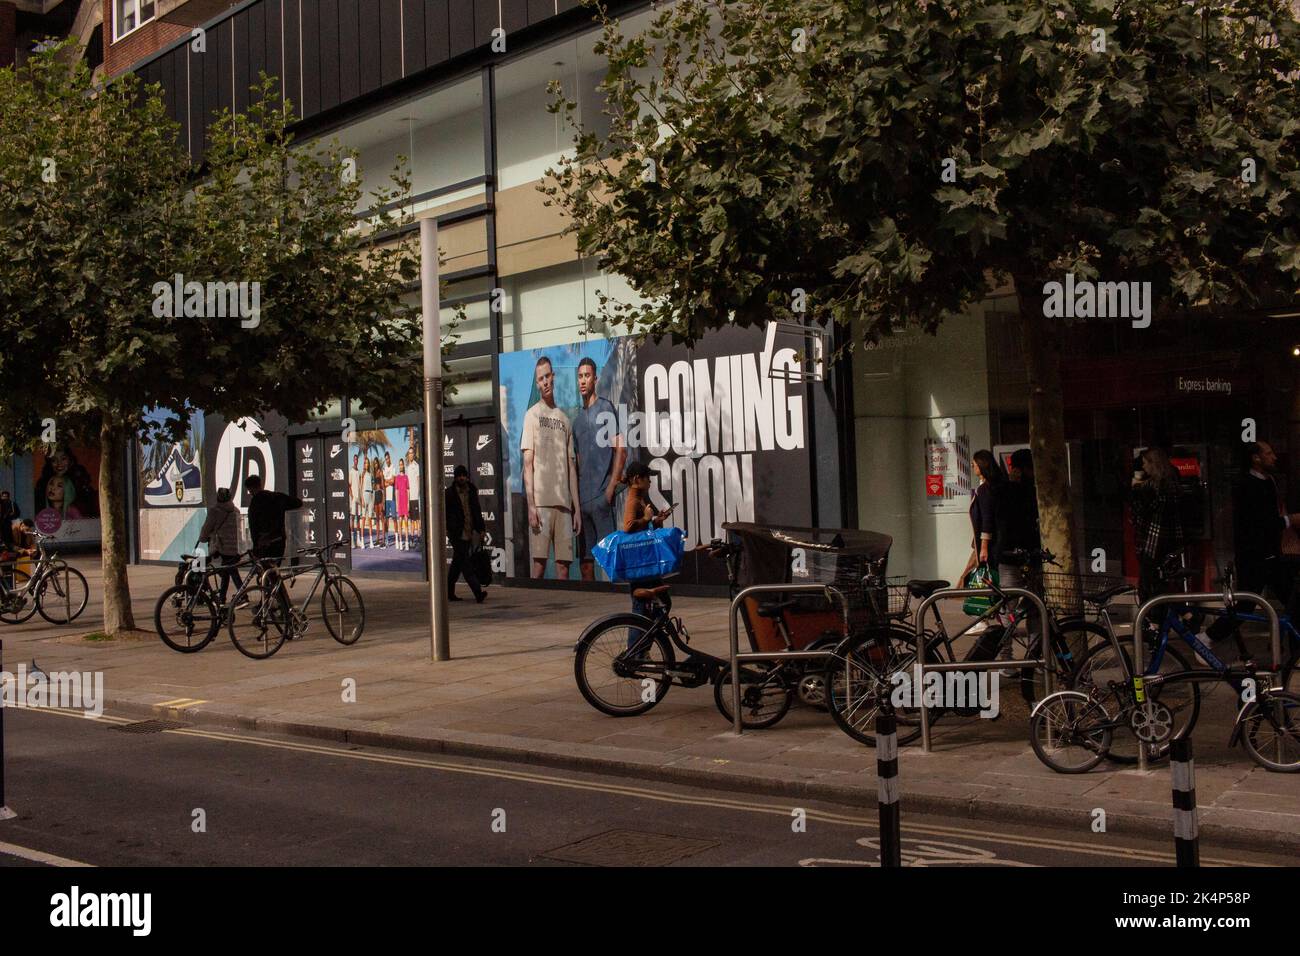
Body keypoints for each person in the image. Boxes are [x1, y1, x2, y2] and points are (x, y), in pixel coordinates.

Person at [1208, 441, 1300, 642]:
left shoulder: (1269, 481)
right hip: (1255, 556)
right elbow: (1259, 522)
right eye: (1268, 453)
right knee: (1246, 604)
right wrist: (1289, 520)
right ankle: (1208, 638)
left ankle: (1295, 647)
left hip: (1271, 553)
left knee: (1292, 600)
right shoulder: (1246, 485)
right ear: (1256, 458)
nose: (1273, 457)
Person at [521, 356, 581, 579]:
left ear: (553, 377)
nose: (545, 382)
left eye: (547, 376)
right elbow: (528, 464)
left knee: (563, 568)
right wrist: (531, 506)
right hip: (541, 504)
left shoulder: (564, 419)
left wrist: (576, 509)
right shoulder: (532, 415)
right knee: (538, 565)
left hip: (564, 505)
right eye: (540, 379)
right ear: (537, 383)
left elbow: (571, 467)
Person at [574, 357, 626, 581]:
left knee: (609, 559)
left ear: (595, 379)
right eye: (580, 376)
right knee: (586, 565)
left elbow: (621, 450)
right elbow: (576, 463)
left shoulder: (605, 407)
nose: (583, 380)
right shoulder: (576, 420)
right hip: (582, 502)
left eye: (587, 375)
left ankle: (615, 609)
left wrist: (611, 488)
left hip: (602, 498)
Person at [621, 461, 672, 628]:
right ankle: (636, 650)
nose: (650, 482)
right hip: (640, 563)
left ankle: (645, 645)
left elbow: (642, 528)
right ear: (637, 479)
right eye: (647, 478)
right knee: (641, 609)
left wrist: (656, 520)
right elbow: (628, 527)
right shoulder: (633, 499)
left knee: (659, 606)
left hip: (644, 560)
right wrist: (646, 518)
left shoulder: (639, 498)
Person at [1131, 446, 1184, 601]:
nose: (1143, 466)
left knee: (1149, 583)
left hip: (1154, 541)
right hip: (1173, 539)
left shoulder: (1152, 487)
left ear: (1153, 464)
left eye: (1145, 463)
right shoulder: (1173, 482)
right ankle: (1183, 615)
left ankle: (1153, 621)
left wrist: (1136, 487)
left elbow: (1143, 511)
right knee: (1166, 581)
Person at [997, 448, 1041, 588]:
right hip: (1016, 552)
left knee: (1014, 593)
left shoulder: (1004, 490)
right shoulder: (1014, 491)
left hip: (1013, 552)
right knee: (1024, 593)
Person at [961, 449, 1004, 585]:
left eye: (974, 464)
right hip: (999, 540)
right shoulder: (998, 485)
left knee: (992, 576)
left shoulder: (985, 489)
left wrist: (984, 546)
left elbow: (987, 519)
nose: (972, 467)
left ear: (982, 465)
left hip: (991, 544)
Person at [445, 464, 486, 603]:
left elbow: (476, 510)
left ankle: (449, 592)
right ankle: (478, 592)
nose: (462, 478)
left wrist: (481, 529)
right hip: (456, 533)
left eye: (464, 475)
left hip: (468, 532)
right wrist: (449, 529)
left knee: (457, 564)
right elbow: (445, 514)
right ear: (455, 477)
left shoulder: (472, 491)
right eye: (459, 476)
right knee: (465, 564)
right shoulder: (449, 494)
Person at [198, 487, 244, 605]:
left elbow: (207, 528)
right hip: (235, 546)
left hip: (222, 546)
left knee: (228, 570)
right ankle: (224, 598)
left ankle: (241, 595)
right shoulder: (236, 511)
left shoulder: (215, 511)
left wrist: (202, 538)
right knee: (227, 571)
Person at [243, 474, 302, 564]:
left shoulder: (255, 502)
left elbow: (253, 525)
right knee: (274, 568)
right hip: (279, 539)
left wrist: (255, 545)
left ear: (251, 489)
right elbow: (298, 503)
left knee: (266, 570)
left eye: (249, 490)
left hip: (264, 542)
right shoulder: (277, 497)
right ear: (260, 485)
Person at [406, 446, 422, 551]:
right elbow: (407, 484)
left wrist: (418, 495)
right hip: (410, 498)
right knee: (411, 520)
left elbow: (418, 481)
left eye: (412, 453)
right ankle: (412, 540)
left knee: (417, 520)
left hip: (416, 497)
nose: (410, 454)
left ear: (414, 454)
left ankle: (419, 541)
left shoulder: (417, 466)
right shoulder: (407, 467)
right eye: (409, 453)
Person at [394, 459, 411, 551]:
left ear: (403, 466)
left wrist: (408, 503)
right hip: (399, 502)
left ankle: (407, 542)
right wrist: (396, 504)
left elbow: (408, 490)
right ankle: (400, 542)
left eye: (402, 464)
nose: (401, 466)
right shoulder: (397, 478)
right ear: (399, 466)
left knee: (406, 522)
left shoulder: (406, 477)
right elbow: (396, 491)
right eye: (399, 464)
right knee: (400, 522)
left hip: (405, 502)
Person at [382, 451, 398, 548]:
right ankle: (387, 540)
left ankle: (396, 539)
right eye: (386, 459)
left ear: (390, 458)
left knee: (395, 518)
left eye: (388, 458)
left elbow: (393, 481)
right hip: (386, 499)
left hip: (392, 497)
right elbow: (384, 483)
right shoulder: (384, 469)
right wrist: (388, 481)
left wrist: (387, 481)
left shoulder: (393, 467)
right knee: (386, 519)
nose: (387, 460)